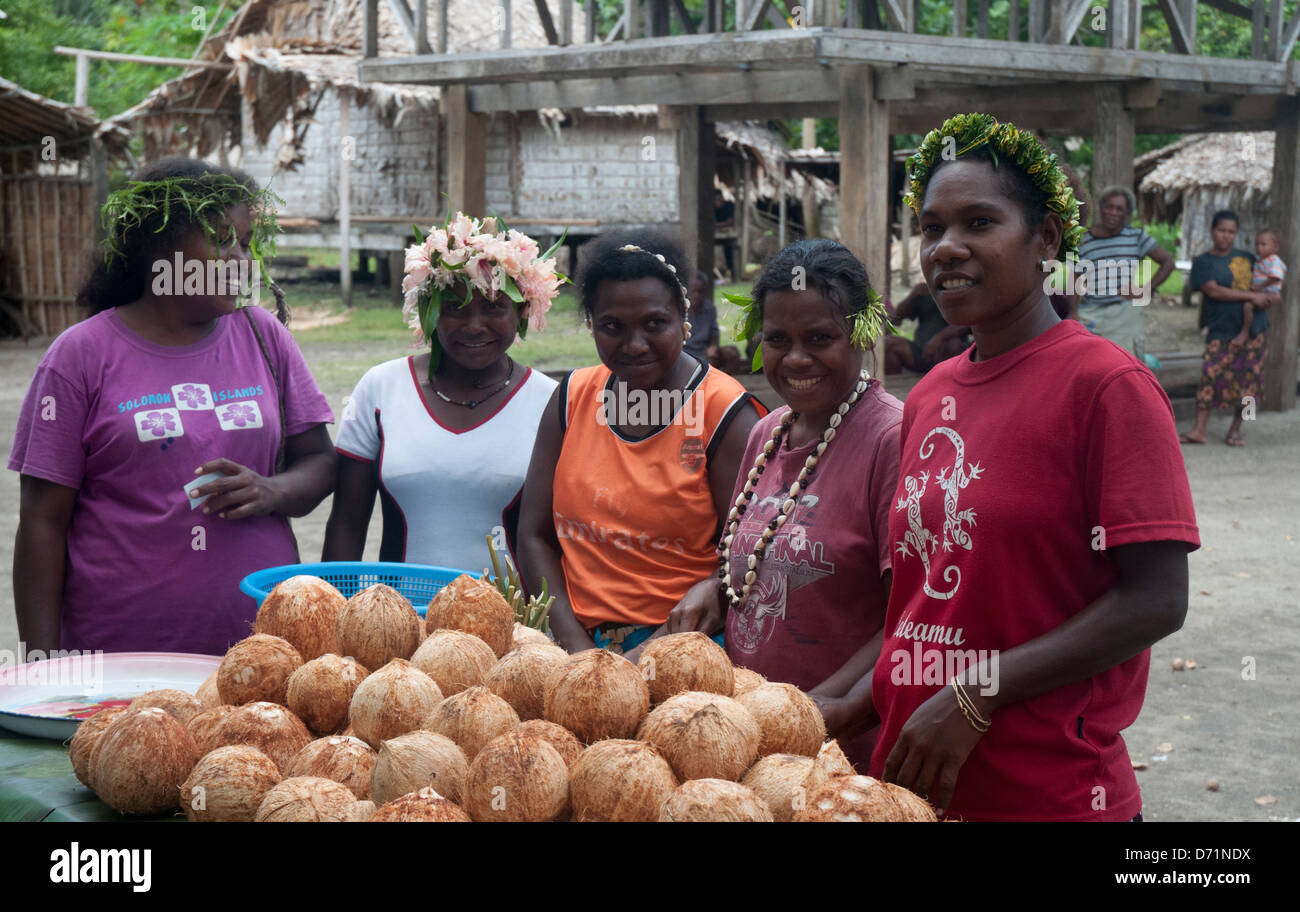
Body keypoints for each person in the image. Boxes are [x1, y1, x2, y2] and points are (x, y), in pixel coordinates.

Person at [871, 113, 1199, 821]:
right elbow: (922, 604)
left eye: (979, 223)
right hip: (911, 788)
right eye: (931, 229)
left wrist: (975, 692)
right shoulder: (929, 394)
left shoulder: (1106, 387)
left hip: (1047, 792)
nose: (947, 249)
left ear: (1046, 239)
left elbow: (1158, 598)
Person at [9, 158, 335, 657]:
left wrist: (271, 490)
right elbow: (42, 522)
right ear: (160, 247)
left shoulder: (264, 337)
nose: (242, 260)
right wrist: (43, 666)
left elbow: (320, 461)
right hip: (120, 658)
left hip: (260, 654)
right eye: (222, 240)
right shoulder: (80, 356)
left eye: (246, 243)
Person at [667, 239, 902, 771]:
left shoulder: (892, 438)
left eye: (820, 338)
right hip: (753, 744)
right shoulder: (769, 432)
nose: (796, 358)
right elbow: (760, 555)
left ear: (862, 334)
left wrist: (815, 710)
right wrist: (718, 588)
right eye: (778, 339)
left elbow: (910, 617)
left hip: (842, 754)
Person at [517, 232, 764, 659]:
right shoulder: (573, 396)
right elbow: (534, 535)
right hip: (574, 646)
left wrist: (646, 654)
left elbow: (749, 557)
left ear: (683, 318)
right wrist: (576, 653)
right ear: (592, 323)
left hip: (687, 652)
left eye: (654, 324)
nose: (634, 345)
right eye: (613, 326)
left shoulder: (724, 412)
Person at [323, 214, 562, 571]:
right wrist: (334, 608)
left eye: (494, 306)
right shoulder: (381, 388)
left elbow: (562, 534)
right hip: (402, 616)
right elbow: (347, 522)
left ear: (523, 312)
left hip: (516, 622)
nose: (474, 325)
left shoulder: (551, 401)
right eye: (453, 307)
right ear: (427, 311)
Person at [1179, 211, 1278, 447]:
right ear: (1212, 231)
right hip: (1221, 329)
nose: (1226, 236)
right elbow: (1213, 290)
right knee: (1209, 377)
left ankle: (1237, 429)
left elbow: (1271, 287)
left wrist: (1268, 299)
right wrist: (1251, 296)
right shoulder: (1203, 261)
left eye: (1231, 232)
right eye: (1222, 230)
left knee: (1250, 383)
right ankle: (1198, 429)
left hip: (1255, 330)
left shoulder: (1248, 258)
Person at [1076, 186, 1175, 358]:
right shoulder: (1083, 239)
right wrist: (1073, 311)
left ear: (1127, 214)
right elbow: (1074, 277)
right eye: (1109, 207)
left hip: (1123, 313)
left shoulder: (1135, 237)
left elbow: (1168, 262)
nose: (1113, 212)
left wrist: (1146, 289)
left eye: (1119, 209)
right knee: (1089, 363)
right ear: (1101, 208)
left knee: (1124, 364)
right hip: (1090, 313)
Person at [883, 281, 971, 374]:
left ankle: (950, 377)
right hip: (921, 351)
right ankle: (894, 385)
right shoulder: (925, 291)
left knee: (954, 344)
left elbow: (968, 323)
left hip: (949, 353)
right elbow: (897, 319)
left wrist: (939, 338)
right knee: (888, 344)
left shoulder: (964, 290)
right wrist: (913, 295)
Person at [1235, 228, 1286, 347]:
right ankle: (1249, 332)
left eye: (1263, 244)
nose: (1259, 247)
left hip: (1271, 293)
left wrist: (1260, 286)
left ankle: (1245, 331)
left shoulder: (1274, 260)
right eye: (1257, 244)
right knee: (1250, 307)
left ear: (1275, 247)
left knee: (1248, 306)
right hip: (1262, 293)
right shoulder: (1259, 261)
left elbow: (1275, 277)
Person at [684, 269, 741, 374]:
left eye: (700, 292)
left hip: (704, 351)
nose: (696, 295)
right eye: (693, 291)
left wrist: (713, 347)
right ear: (687, 291)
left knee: (732, 353)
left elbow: (714, 332)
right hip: (686, 353)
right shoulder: (680, 309)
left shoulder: (709, 308)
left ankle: (727, 384)